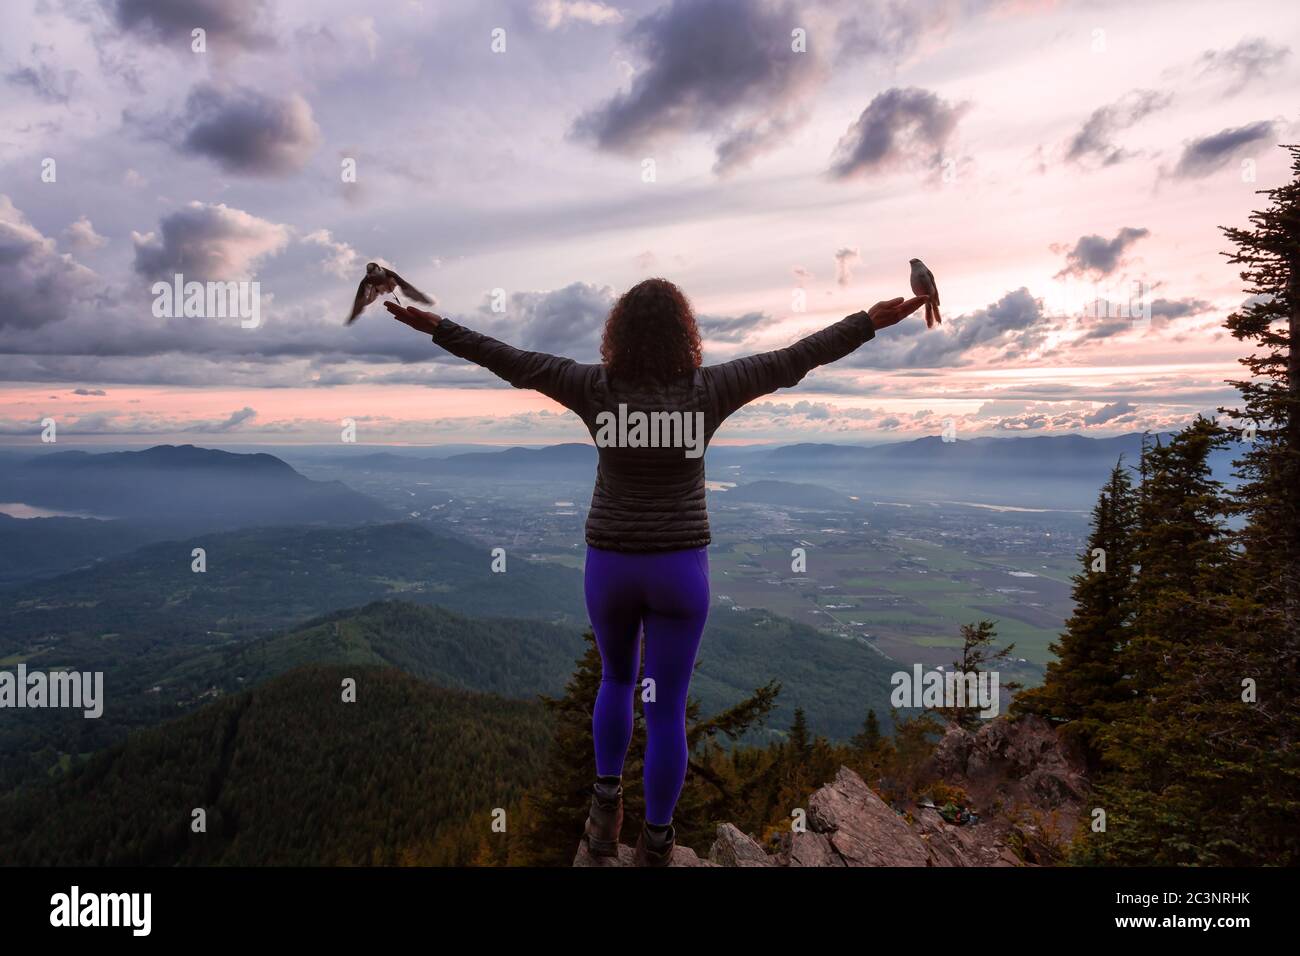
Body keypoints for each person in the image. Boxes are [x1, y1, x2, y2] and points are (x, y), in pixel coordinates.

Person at [386, 279, 927, 865]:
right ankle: (658, 842)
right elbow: (795, 358)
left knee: (617, 681)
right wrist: (868, 321)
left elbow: (511, 361)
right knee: (665, 707)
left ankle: (602, 813)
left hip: (611, 565)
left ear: (617, 334)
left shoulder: (594, 387)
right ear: (685, 335)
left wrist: (437, 328)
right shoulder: (711, 389)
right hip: (679, 569)